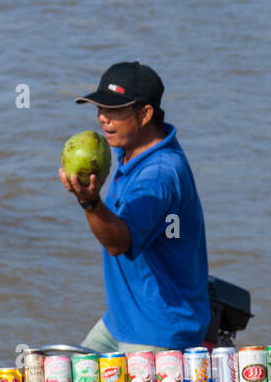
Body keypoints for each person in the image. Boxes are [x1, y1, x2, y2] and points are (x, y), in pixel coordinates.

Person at [59, 61, 210, 355]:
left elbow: (119, 243)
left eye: (115, 110)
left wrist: (89, 202)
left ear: (145, 114)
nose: (103, 119)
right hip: (120, 321)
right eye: (100, 108)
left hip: (158, 329)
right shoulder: (128, 149)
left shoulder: (159, 175)